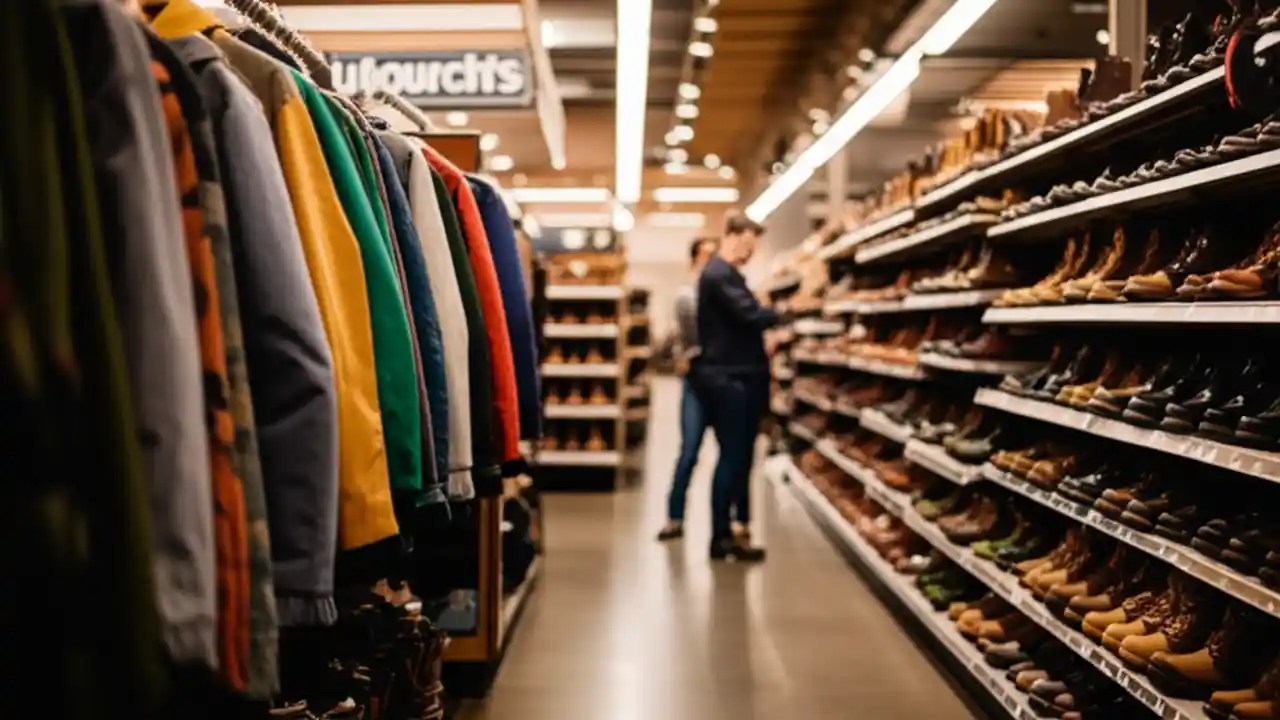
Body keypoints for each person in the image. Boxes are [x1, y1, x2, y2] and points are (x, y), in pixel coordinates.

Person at [689, 212, 778, 562]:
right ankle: (720, 536)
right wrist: (779, 310)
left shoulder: (726, 275)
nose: (750, 253)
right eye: (749, 245)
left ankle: (733, 531)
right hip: (731, 379)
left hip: (737, 376)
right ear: (736, 236)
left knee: (738, 460)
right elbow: (751, 316)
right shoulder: (719, 274)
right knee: (732, 458)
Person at [657, 237, 719, 542]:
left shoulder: (726, 293)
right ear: (693, 259)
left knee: (730, 456)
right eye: (705, 255)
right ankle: (674, 516)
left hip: (722, 381)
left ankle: (727, 524)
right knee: (689, 451)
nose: (710, 261)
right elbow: (691, 339)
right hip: (696, 382)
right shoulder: (686, 296)